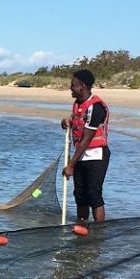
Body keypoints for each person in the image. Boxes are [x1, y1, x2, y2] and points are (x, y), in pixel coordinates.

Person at [61, 68, 109, 223]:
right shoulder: (78, 104)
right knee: (80, 194)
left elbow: (86, 140)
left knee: (93, 194)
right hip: (81, 156)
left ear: (82, 86)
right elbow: (77, 124)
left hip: (97, 155)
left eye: (73, 85)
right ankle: (81, 225)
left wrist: (70, 165)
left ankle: (98, 232)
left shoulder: (96, 108)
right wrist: (68, 123)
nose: (70, 88)